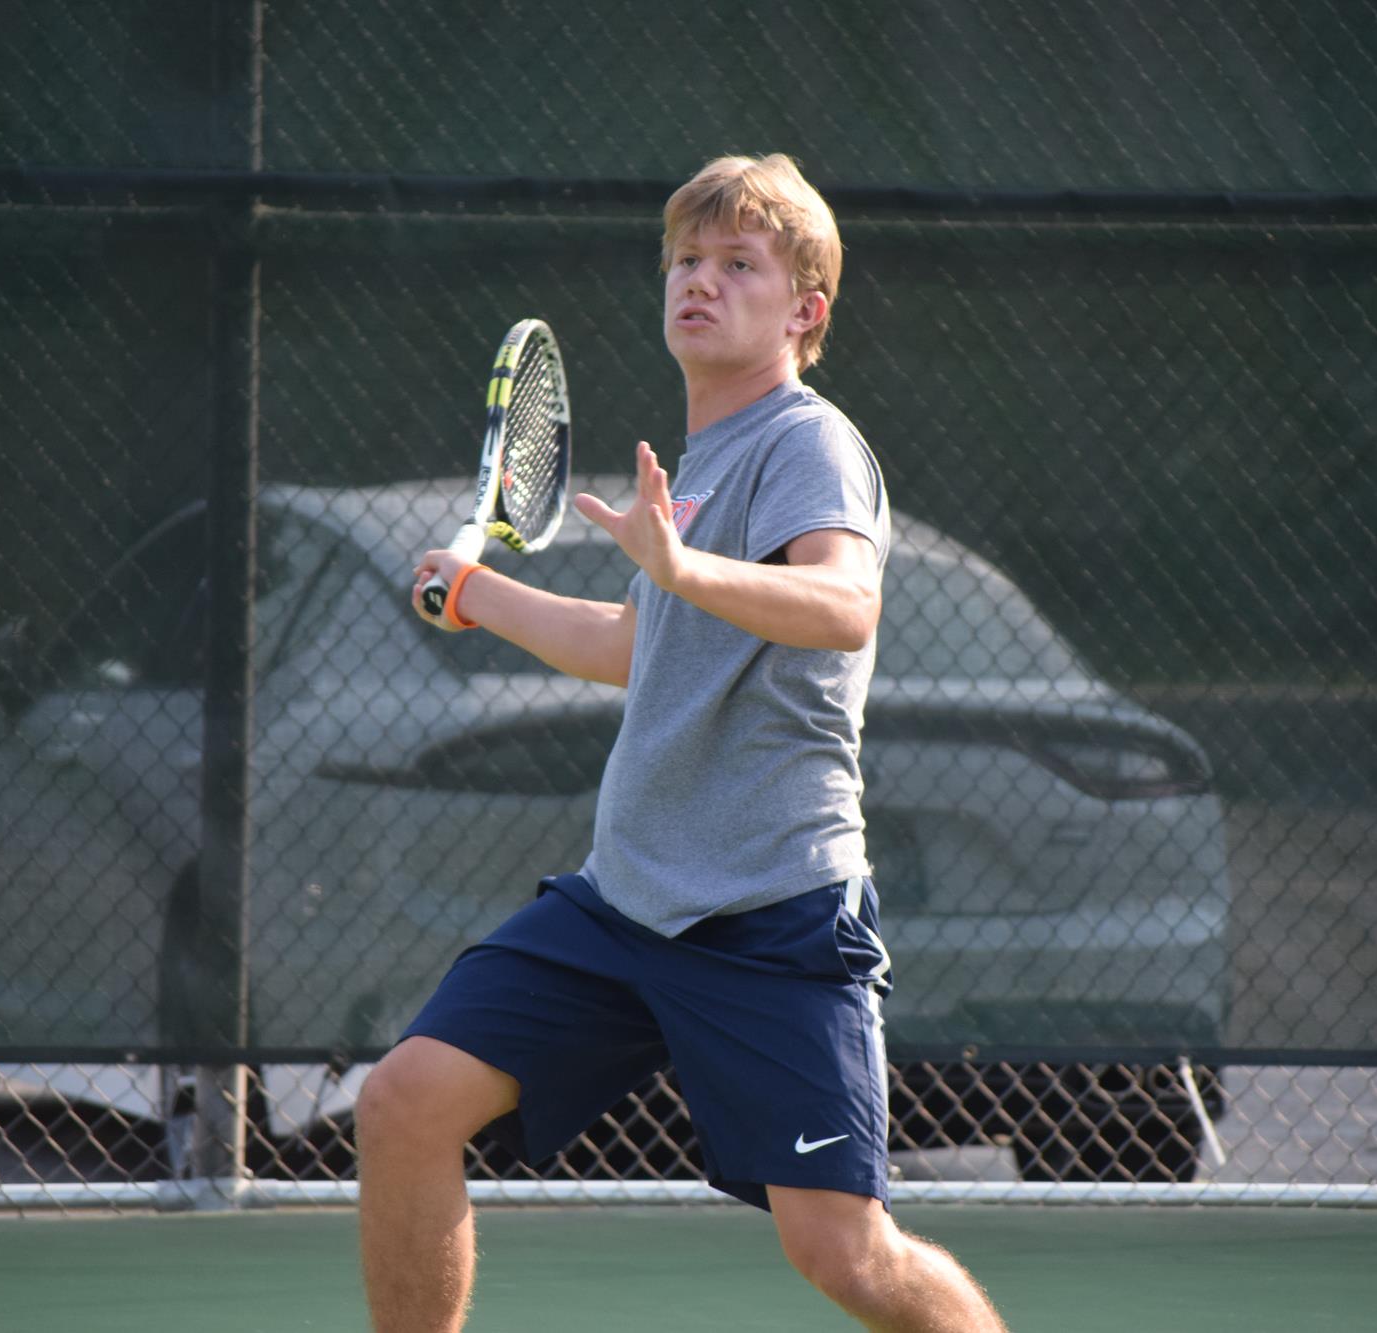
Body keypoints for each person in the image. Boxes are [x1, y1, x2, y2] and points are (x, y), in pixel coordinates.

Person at [359, 153, 1009, 1333]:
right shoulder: (699, 462)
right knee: (405, 1102)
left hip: (771, 917)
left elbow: (843, 603)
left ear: (803, 310)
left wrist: (682, 568)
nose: (698, 283)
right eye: (685, 261)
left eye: (737, 265)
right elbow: (639, 643)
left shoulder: (805, 443)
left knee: (845, 1253)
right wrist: (478, 594)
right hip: (625, 905)